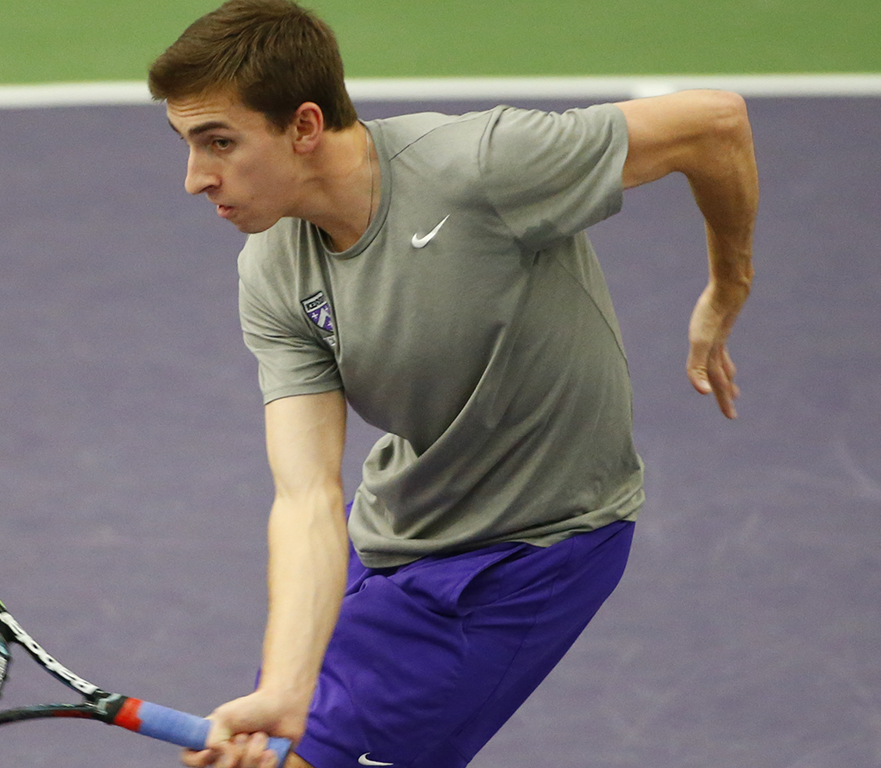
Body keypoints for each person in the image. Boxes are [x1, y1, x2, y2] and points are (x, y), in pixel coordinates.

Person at [146, 2, 757, 766]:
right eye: (188, 145)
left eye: (219, 143)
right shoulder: (272, 271)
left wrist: (728, 284)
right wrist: (288, 687)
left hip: (529, 555)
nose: (195, 179)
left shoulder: (479, 168)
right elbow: (305, 495)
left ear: (304, 126)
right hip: (397, 533)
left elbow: (715, 122)